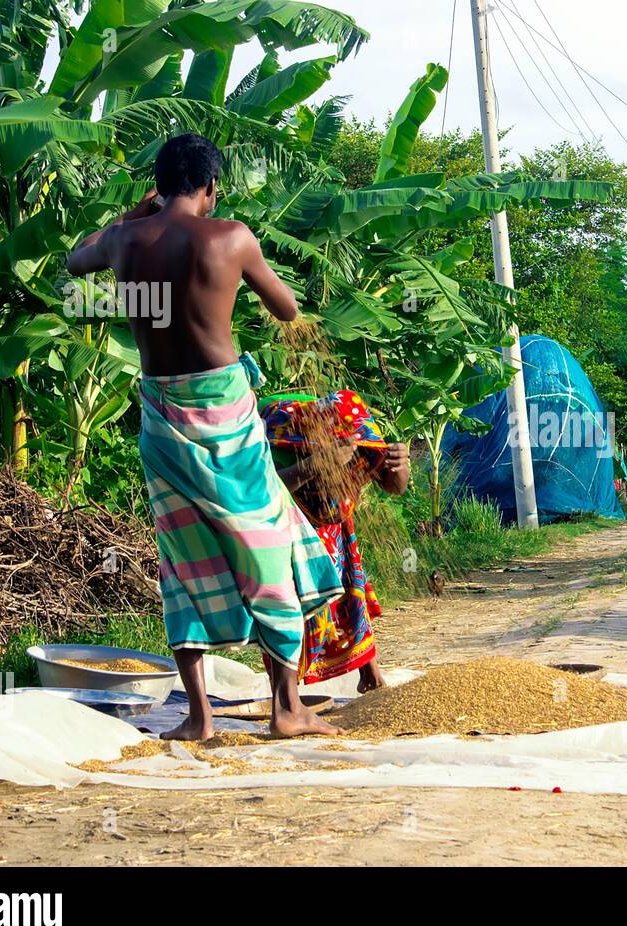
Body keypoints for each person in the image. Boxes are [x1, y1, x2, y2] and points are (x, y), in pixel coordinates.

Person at [67, 133, 344, 741]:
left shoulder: (123, 241)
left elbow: (74, 261)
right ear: (211, 187)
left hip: (162, 418)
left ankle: (199, 716)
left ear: (158, 186)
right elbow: (288, 309)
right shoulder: (231, 237)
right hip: (226, 415)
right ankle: (286, 708)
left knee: (183, 557)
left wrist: (131, 217)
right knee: (266, 543)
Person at [258, 390, 409, 694]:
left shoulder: (359, 442)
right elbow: (263, 490)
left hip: (335, 533)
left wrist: (400, 465)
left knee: (350, 600)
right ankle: (285, 698)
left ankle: (370, 675)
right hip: (291, 533)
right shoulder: (278, 443)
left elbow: (396, 487)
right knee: (292, 612)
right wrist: (316, 464)